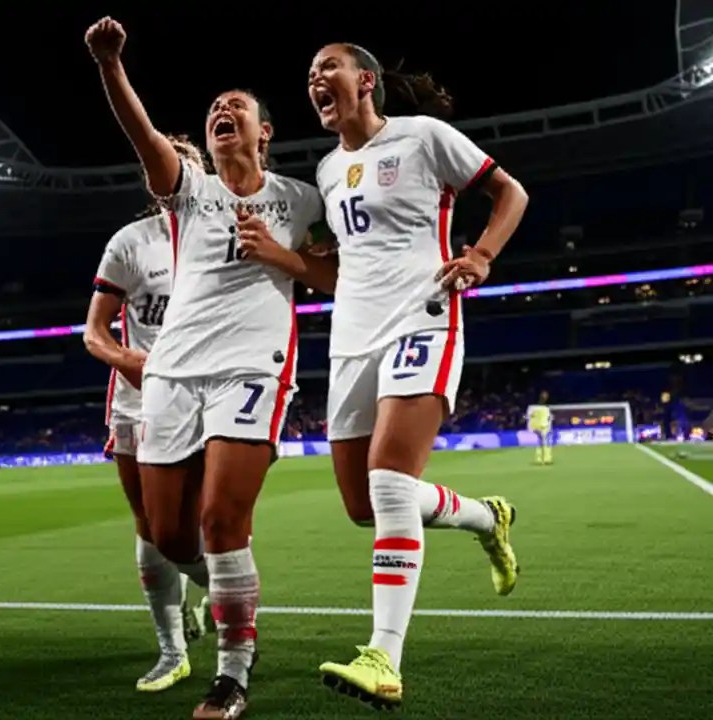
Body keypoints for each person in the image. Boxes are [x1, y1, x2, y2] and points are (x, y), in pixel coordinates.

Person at [86, 17, 337, 720]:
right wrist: (112, 66)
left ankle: (232, 673)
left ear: (265, 133)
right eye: (214, 110)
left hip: (252, 368)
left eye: (238, 108)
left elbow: (342, 277)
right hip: (170, 375)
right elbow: (142, 137)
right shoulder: (190, 191)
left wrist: (288, 259)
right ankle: (238, 600)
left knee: (223, 519)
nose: (223, 113)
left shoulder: (302, 200)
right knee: (169, 537)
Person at [306, 43, 530, 709]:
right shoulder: (325, 170)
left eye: (328, 68)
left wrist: (483, 253)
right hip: (350, 342)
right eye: (309, 75)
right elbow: (350, 261)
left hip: (424, 318)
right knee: (362, 507)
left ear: (365, 81)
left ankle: (384, 657)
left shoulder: (423, 137)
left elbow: (510, 191)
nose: (316, 80)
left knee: (387, 482)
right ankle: (486, 518)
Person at [83, 133, 212, 693]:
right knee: (151, 527)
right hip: (138, 403)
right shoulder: (131, 243)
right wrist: (130, 362)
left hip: (212, 398)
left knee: (203, 526)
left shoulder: (229, 234)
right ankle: (171, 650)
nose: (174, 174)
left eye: (186, 165)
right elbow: (93, 332)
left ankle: (226, 597)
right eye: (162, 164)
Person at [527, 395, 553, 465]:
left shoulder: (533, 408)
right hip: (544, 427)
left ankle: (539, 459)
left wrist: (530, 427)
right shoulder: (546, 409)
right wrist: (550, 428)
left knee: (540, 443)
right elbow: (549, 418)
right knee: (546, 443)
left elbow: (529, 417)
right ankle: (547, 459)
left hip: (536, 427)